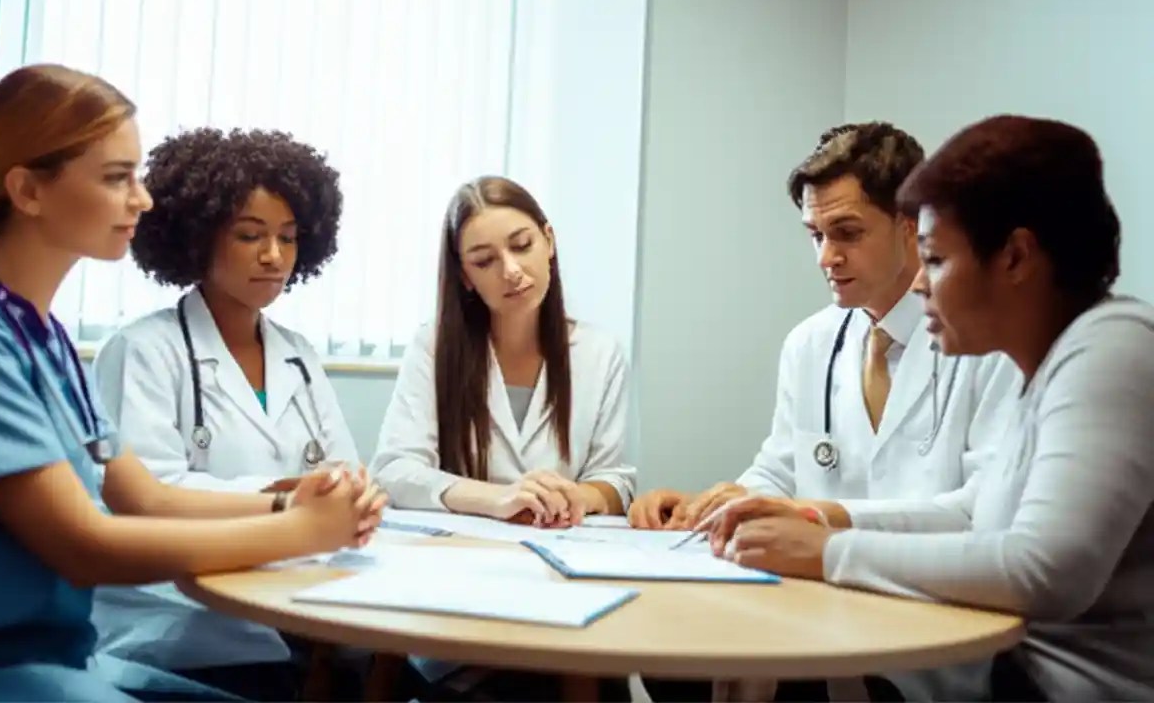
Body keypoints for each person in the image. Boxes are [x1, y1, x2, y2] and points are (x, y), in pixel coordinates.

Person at [0, 63, 384, 702]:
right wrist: (303, 532)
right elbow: (83, 546)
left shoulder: (43, 336)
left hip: (58, 660)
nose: (141, 199)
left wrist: (290, 504)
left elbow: (145, 497)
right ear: (28, 190)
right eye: (118, 178)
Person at [707, 114, 1154, 701]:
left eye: (936, 260)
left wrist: (829, 552)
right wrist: (817, 520)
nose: (921, 285)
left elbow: (1045, 572)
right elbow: (974, 511)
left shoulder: (1115, 348)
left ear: (1015, 258)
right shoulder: (1050, 367)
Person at [630, 122, 1021, 701]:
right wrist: (720, 503)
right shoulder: (811, 343)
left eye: (847, 233)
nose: (825, 257)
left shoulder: (986, 347)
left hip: (927, 636)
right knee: (670, 664)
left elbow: (981, 516)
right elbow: (781, 469)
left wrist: (818, 515)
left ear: (911, 226)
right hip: (814, 613)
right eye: (815, 235)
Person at [90, 128, 362, 699]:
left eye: (288, 238)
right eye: (250, 235)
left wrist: (352, 497)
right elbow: (148, 494)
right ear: (198, 238)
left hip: (293, 608)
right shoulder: (143, 349)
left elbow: (343, 473)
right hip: (177, 627)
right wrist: (287, 497)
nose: (274, 256)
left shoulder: (299, 356)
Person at [370, 175, 636, 527]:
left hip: (561, 539)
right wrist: (498, 499)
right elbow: (394, 471)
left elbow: (614, 480)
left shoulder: (600, 353)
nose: (511, 271)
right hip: (465, 546)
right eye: (484, 261)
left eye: (522, 245)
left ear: (549, 241)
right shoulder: (433, 347)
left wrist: (571, 498)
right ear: (465, 276)